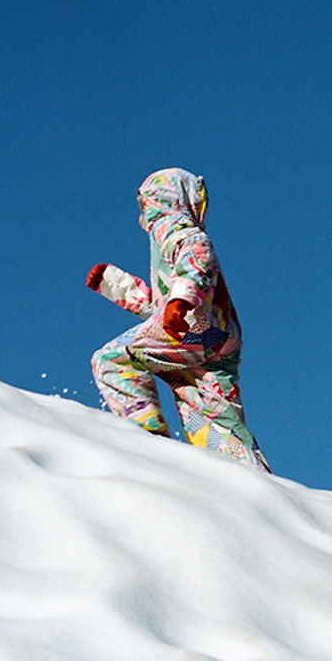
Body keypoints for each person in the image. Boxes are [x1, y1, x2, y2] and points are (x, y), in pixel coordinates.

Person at [86, 168, 270, 472]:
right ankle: (250, 480)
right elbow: (161, 310)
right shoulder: (171, 232)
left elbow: (197, 252)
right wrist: (114, 285)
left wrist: (182, 300)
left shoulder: (169, 221)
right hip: (214, 340)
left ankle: (148, 444)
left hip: (195, 330)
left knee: (112, 360)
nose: (145, 209)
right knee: (214, 423)